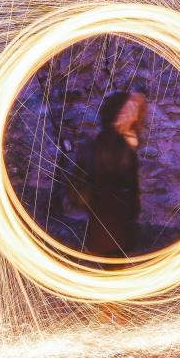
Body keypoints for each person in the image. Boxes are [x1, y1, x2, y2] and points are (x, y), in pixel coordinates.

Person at [69, 91, 147, 259]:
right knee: (112, 265)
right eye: (129, 110)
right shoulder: (109, 143)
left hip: (119, 223)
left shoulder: (124, 140)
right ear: (116, 113)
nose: (133, 116)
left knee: (113, 266)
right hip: (108, 223)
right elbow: (112, 178)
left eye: (136, 111)